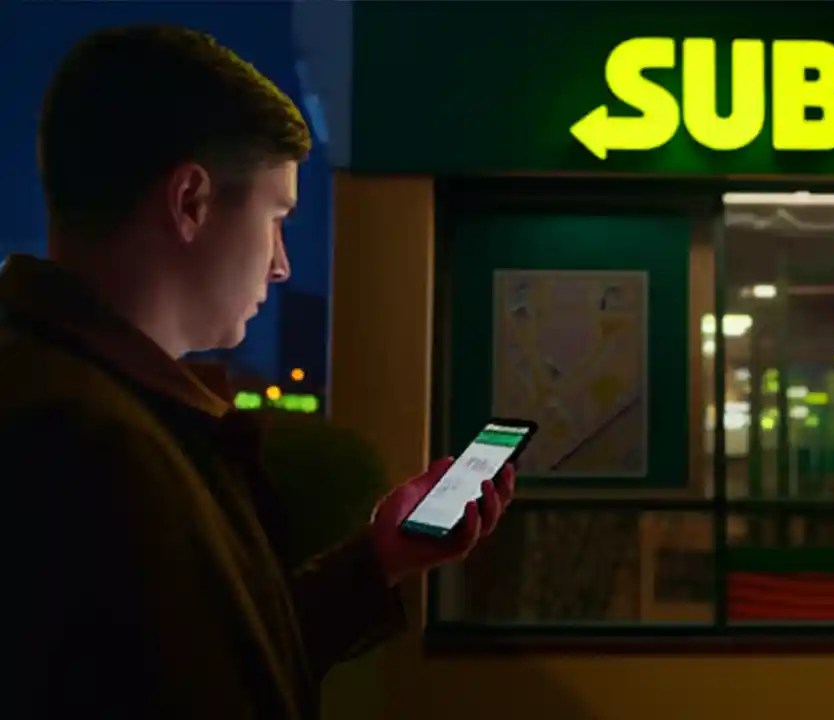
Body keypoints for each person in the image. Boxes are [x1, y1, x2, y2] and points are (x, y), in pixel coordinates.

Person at [0, 25, 515, 718]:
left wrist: (380, 558)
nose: (282, 264)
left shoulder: (100, 410)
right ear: (191, 202)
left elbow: (213, 661)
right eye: (277, 218)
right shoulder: (82, 444)